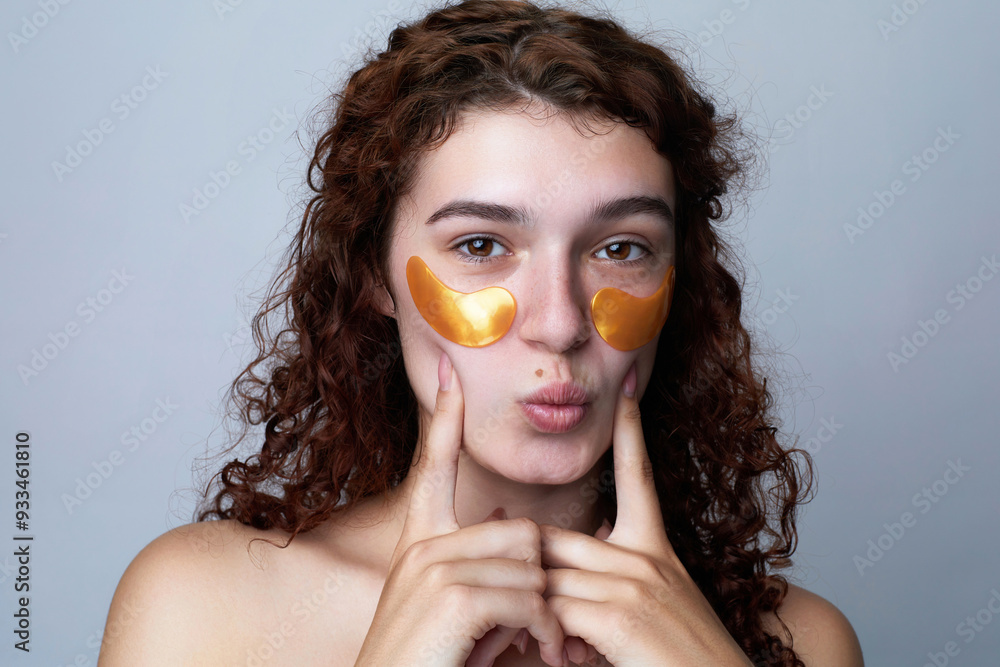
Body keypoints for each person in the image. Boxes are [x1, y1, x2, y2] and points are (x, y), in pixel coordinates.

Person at [99, 0, 864, 665]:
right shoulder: (202, 607)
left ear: (677, 280)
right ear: (374, 274)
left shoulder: (802, 639)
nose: (560, 324)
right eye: (480, 246)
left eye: (620, 248)